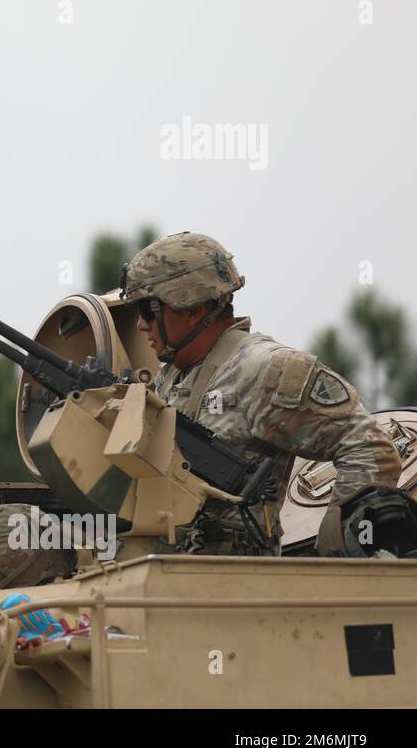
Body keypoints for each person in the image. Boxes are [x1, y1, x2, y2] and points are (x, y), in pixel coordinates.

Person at [119, 231, 402, 555]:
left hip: (231, 588)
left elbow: (369, 449)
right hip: (160, 577)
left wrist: (336, 556)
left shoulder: (267, 371)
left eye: (147, 310)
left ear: (190, 308)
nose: (141, 325)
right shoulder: (171, 377)